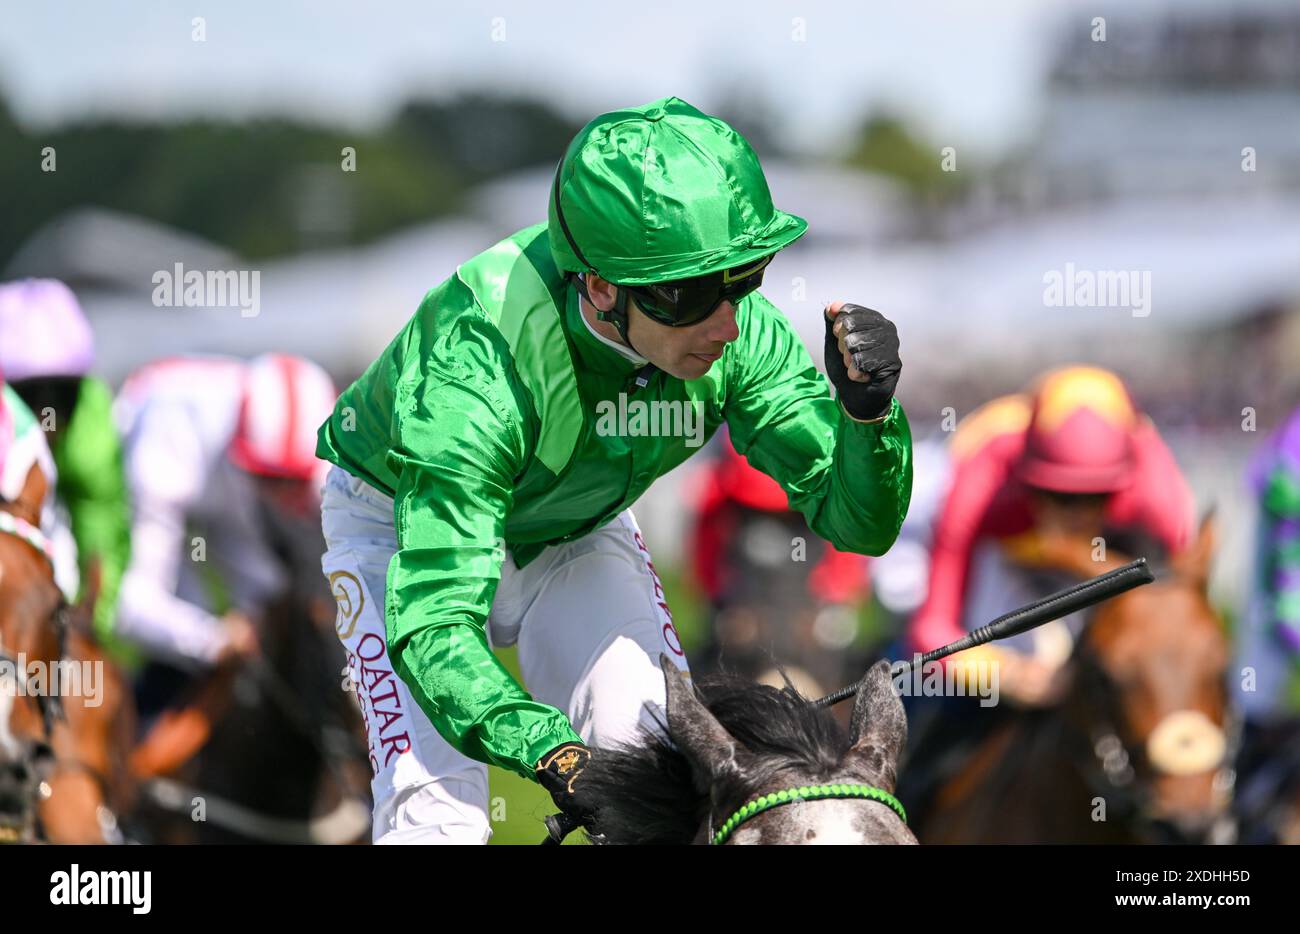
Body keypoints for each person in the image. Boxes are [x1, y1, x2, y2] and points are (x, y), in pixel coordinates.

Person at [316, 96, 914, 844]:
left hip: (577, 526)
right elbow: (438, 623)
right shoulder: (476, 371)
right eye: (692, 293)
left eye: (745, 276)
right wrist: (553, 754)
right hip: (397, 529)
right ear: (601, 287)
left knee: (660, 769)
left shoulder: (737, 335)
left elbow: (860, 523)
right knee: (438, 814)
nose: (728, 322)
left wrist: (867, 419)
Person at [114, 353, 336, 714]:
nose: (281, 498)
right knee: (192, 620)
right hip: (154, 456)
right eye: (269, 480)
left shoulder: (314, 452)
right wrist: (213, 640)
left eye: (292, 483)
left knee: (275, 609)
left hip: (226, 479)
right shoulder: (165, 448)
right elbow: (128, 606)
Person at [0, 278, 132, 657]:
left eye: (61, 394)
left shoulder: (92, 422)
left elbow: (102, 531)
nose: (47, 414)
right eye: (32, 395)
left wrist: (87, 626)